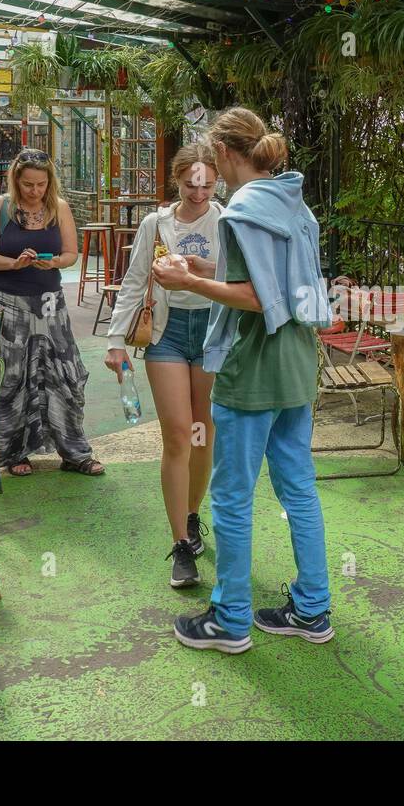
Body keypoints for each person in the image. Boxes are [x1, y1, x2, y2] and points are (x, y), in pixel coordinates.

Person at [151, 107, 333, 655]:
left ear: (226, 153)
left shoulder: (243, 209)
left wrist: (191, 285)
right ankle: (312, 608)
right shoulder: (292, 201)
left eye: (215, 160)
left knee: (232, 497)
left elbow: (255, 297)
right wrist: (200, 270)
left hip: (253, 365)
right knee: (298, 487)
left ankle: (230, 621)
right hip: (298, 362)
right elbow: (273, 279)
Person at [104, 144, 222, 589]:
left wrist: (198, 271)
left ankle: (193, 517)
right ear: (176, 179)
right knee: (177, 433)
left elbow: (235, 278)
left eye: (207, 184)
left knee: (202, 432)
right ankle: (179, 544)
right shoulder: (157, 223)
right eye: (191, 184)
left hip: (211, 330)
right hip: (167, 332)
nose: (198, 192)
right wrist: (116, 341)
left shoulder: (224, 220)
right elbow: (136, 280)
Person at [0, 147, 104, 478]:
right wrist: (13, 264)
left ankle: (74, 451)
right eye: (28, 185)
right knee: (9, 377)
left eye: (41, 184)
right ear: (17, 181)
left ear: (50, 182)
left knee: (62, 373)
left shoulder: (58, 208)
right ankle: (13, 451)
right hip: (6, 302)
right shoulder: (0, 207)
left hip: (48, 303)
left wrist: (55, 261)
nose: (34, 191)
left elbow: (71, 253)